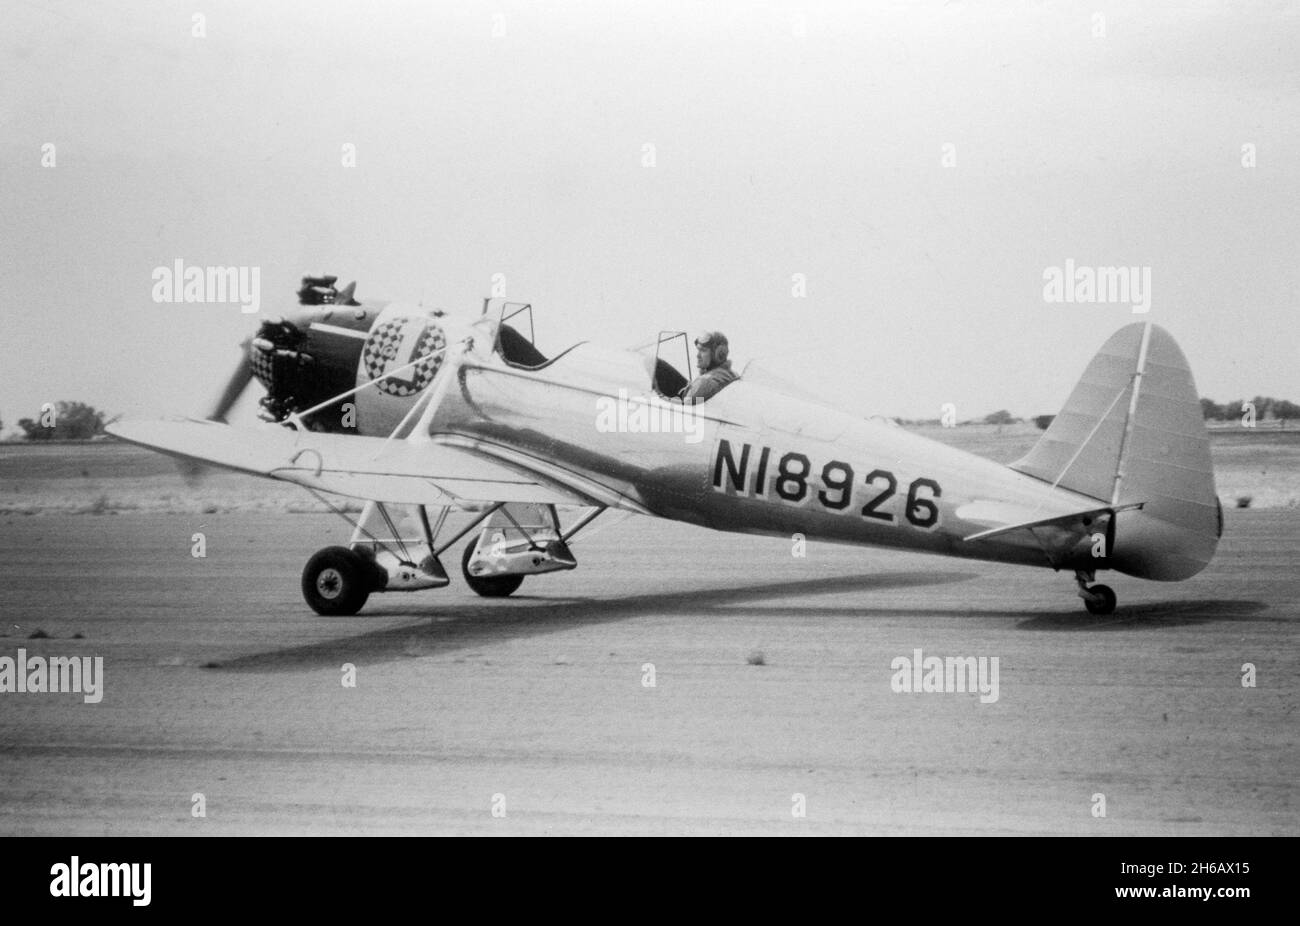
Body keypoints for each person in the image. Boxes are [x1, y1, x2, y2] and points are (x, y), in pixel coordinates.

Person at [679, 331, 738, 403]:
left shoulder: (705, 381)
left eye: (703, 351)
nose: (698, 356)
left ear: (718, 354)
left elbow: (688, 404)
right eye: (698, 350)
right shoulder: (732, 374)